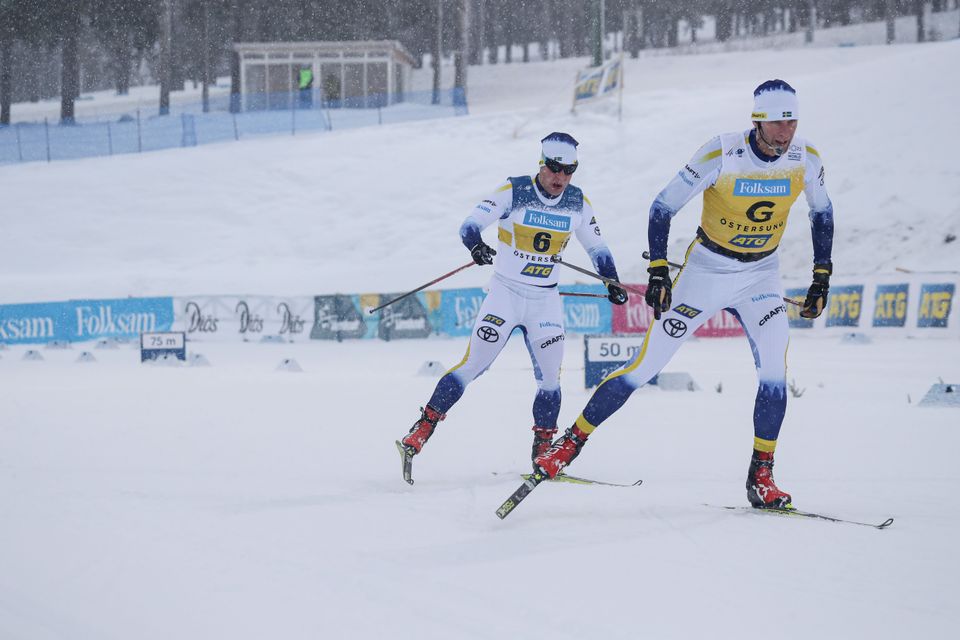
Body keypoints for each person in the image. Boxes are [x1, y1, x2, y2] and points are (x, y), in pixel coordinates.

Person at [534, 80, 835, 508]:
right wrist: (658, 270)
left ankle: (761, 475)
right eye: (777, 122)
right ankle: (570, 443)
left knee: (774, 372)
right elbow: (663, 206)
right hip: (706, 271)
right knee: (644, 366)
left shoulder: (806, 157)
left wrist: (821, 275)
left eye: (792, 120)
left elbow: (822, 212)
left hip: (761, 277)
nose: (785, 132)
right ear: (757, 120)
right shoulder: (721, 152)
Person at [397, 132, 628, 483]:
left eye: (569, 171)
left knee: (551, 380)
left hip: (545, 303)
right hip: (504, 296)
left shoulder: (577, 203)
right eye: (554, 168)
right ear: (542, 165)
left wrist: (611, 280)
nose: (560, 178)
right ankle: (422, 430)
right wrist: (476, 245)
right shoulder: (514, 191)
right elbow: (470, 225)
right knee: (472, 366)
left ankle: (543, 452)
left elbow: (598, 248)